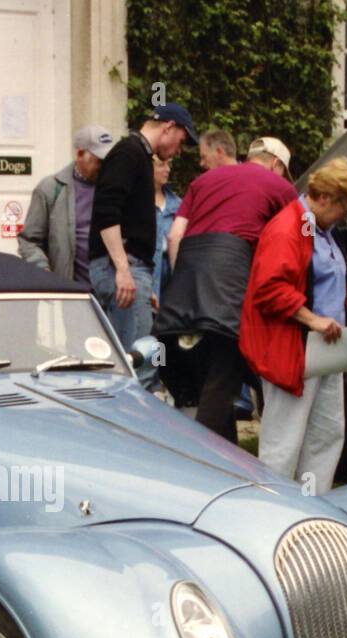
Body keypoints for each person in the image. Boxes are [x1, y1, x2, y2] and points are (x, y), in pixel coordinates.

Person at [154, 131, 297, 441]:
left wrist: (189, 284)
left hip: (186, 287)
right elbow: (301, 237)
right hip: (231, 286)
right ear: (275, 164)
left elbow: (174, 236)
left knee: (207, 380)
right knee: (224, 376)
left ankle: (226, 461)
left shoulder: (203, 182)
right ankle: (200, 464)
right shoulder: (281, 188)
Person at [240, 157, 347, 492]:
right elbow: (268, 288)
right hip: (294, 350)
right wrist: (313, 319)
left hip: (324, 352)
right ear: (325, 197)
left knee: (326, 433)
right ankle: (271, 508)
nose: (346, 215)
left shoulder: (321, 229)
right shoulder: (288, 227)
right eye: (345, 207)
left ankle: (312, 504)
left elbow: (317, 280)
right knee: (284, 441)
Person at [88, 103, 198, 376]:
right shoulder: (129, 152)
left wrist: (139, 278)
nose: (178, 151)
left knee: (134, 361)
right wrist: (124, 270)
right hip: (122, 269)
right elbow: (106, 211)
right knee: (136, 368)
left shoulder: (135, 154)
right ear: (169, 127)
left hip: (130, 268)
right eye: (181, 141)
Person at [18, 124, 114, 284]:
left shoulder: (115, 188)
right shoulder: (51, 188)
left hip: (110, 294)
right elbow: (29, 241)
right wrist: (44, 272)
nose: (104, 167)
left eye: (108, 160)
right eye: (99, 161)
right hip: (69, 293)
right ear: (80, 154)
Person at [152, 154, 181, 309]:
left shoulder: (176, 204)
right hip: (148, 274)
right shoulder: (137, 203)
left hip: (170, 275)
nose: (167, 169)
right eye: (161, 165)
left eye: (168, 164)